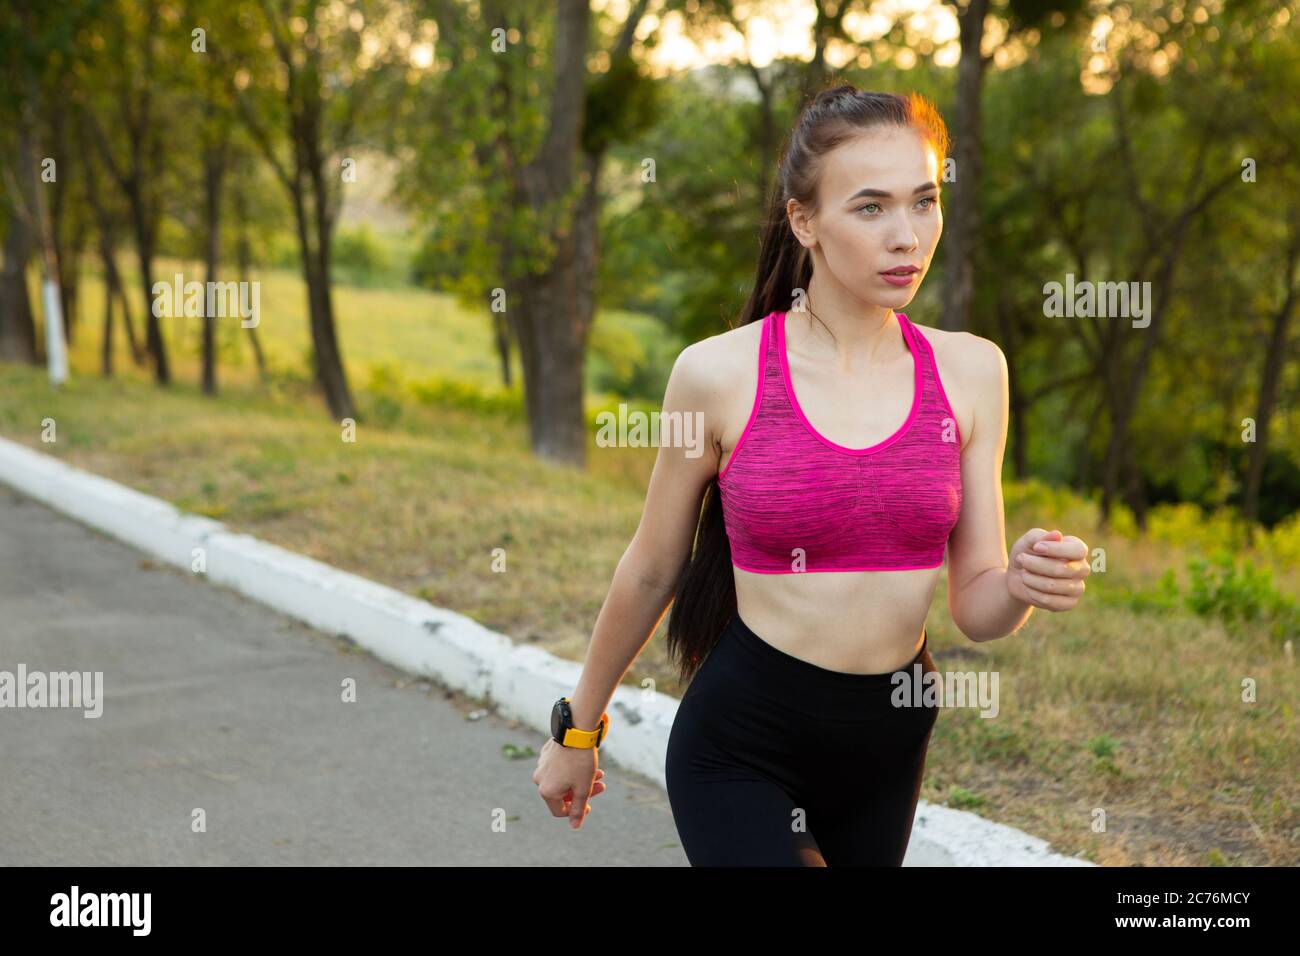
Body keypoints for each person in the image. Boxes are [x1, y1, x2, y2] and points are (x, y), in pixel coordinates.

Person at [532, 85, 1091, 865]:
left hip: (890, 740)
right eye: (870, 208)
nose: (907, 236)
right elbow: (654, 566)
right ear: (805, 222)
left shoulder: (971, 371)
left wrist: (1025, 584)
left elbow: (976, 606)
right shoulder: (718, 374)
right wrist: (578, 729)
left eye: (924, 201)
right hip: (743, 744)